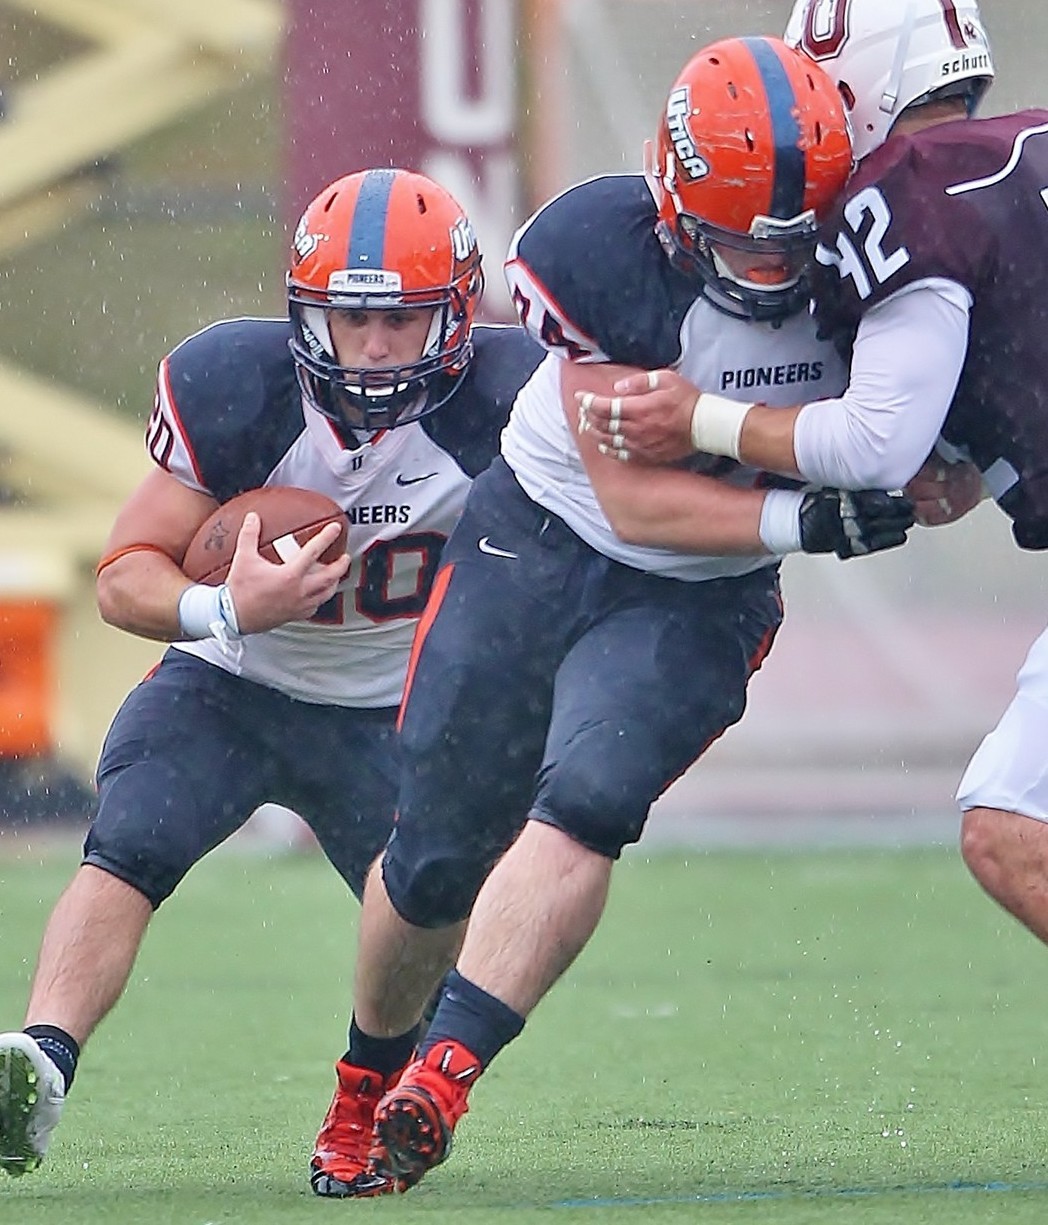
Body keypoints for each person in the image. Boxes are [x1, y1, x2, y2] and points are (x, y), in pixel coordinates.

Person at [306, 37, 916, 1196]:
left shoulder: (884, 261)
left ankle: (444, 1071)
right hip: (539, 539)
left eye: (790, 242)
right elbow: (634, 500)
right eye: (739, 239)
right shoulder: (601, 256)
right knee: (432, 855)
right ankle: (359, 1080)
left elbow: (930, 440)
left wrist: (934, 471)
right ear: (673, 205)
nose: (770, 271)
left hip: (698, 595)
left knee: (588, 798)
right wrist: (808, 517)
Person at [0, 167, 546, 1189]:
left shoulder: (511, 400)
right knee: (127, 847)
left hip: (393, 710)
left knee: (430, 929)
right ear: (304, 312)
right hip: (230, 684)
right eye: (349, 318)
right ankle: (42, 1057)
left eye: (400, 319)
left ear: (457, 316)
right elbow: (124, 576)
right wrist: (226, 608)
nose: (372, 346)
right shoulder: (239, 386)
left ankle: (367, 1094)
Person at [577, 0, 1048, 1034]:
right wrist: (984, 463)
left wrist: (701, 418)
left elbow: (873, 443)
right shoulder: (1028, 146)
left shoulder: (908, 189)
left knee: (1011, 825)